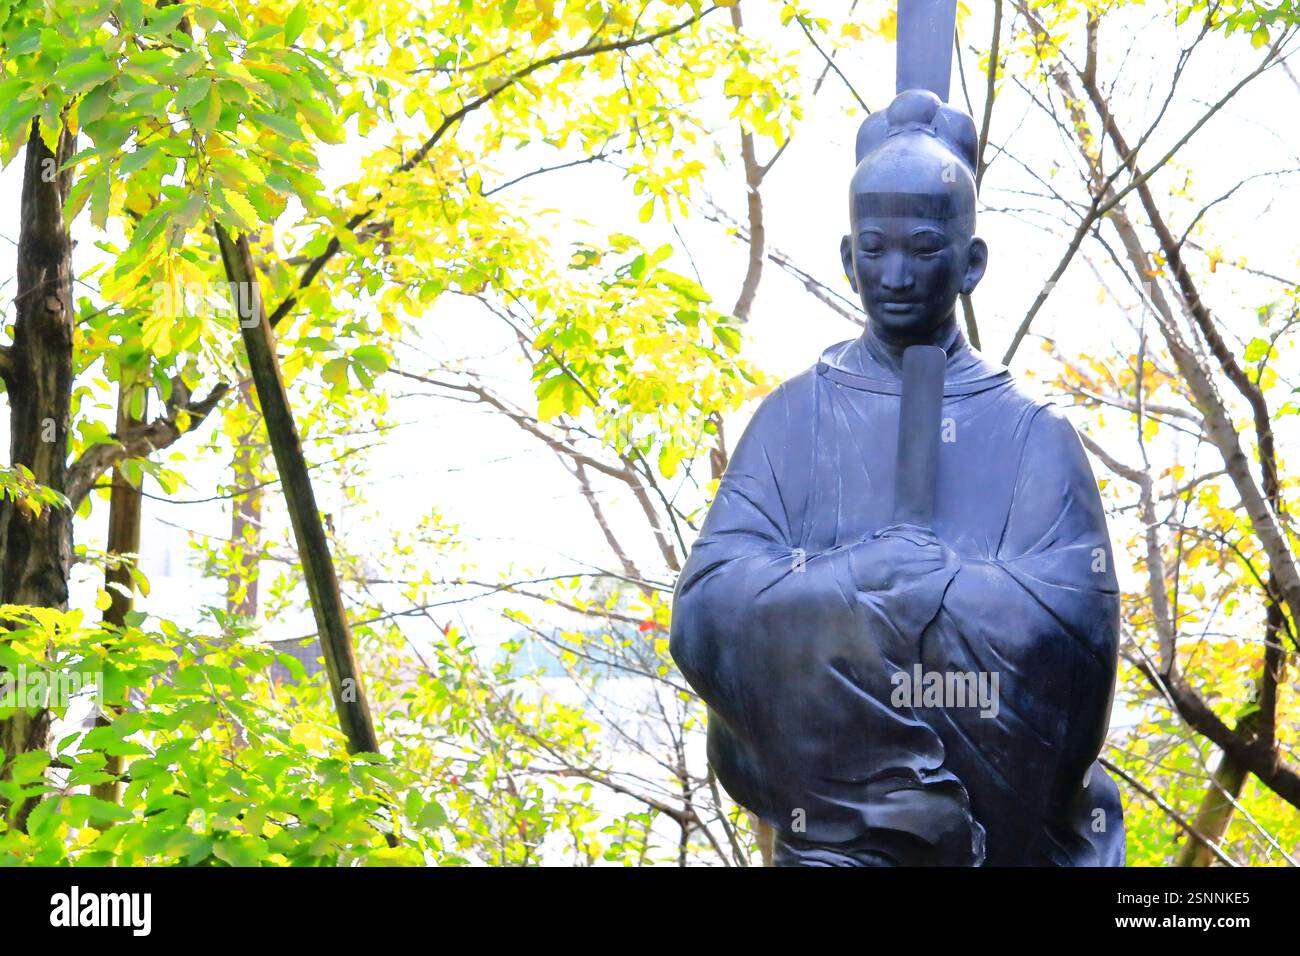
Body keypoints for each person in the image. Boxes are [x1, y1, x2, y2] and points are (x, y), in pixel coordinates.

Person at [669, 89, 1125, 866]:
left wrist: (941, 586)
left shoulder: (1032, 434)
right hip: (836, 836)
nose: (898, 274)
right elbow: (708, 607)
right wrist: (854, 582)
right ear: (847, 258)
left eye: (923, 247)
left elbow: (1078, 636)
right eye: (874, 249)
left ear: (972, 262)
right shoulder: (795, 418)